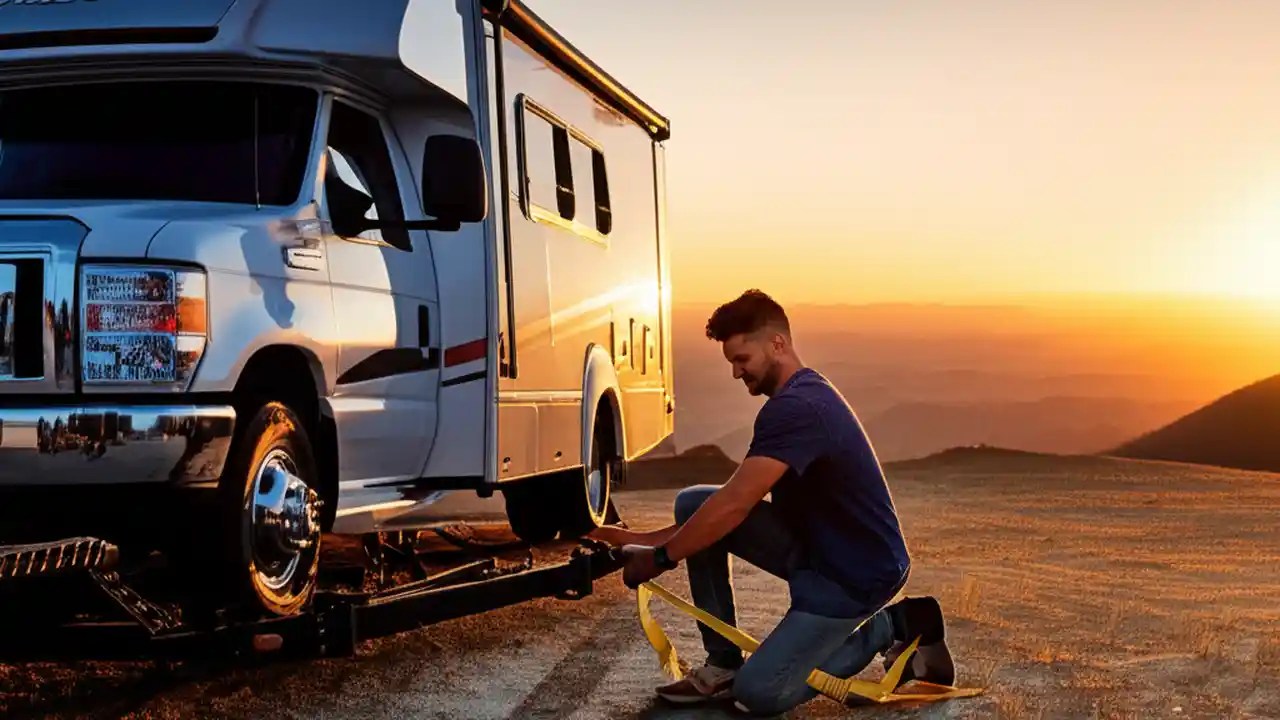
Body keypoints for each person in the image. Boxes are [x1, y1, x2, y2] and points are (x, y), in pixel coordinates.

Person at [589, 289, 953, 716]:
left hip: (856, 576)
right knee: (694, 504)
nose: (735, 372)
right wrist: (640, 540)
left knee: (760, 692)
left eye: (741, 359)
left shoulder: (799, 408)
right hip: (815, 549)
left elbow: (735, 507)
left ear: (777, 343)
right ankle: (722, 664)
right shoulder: (795, 399)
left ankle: (901, 623)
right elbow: (726, 503)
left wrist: (661, 559)